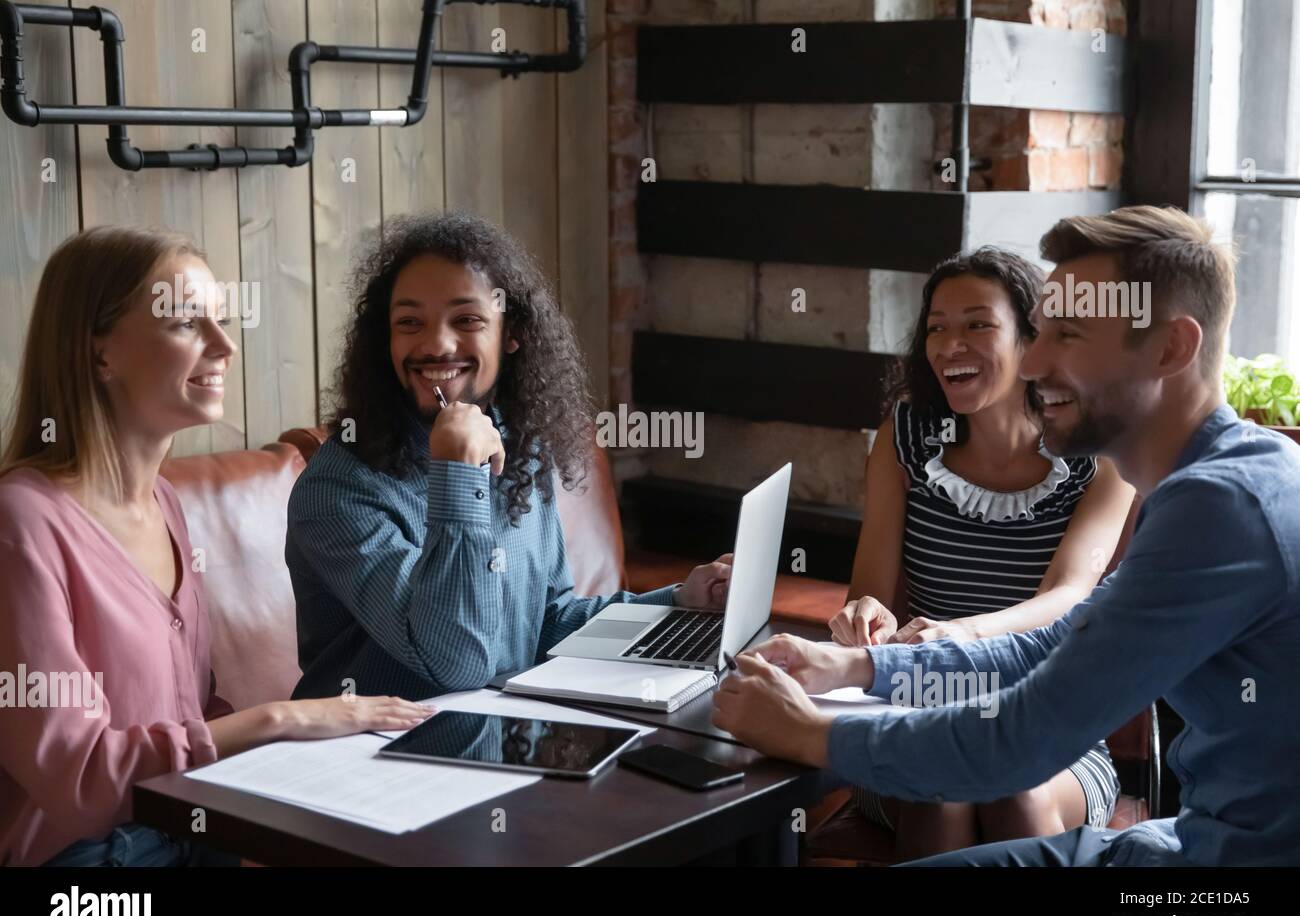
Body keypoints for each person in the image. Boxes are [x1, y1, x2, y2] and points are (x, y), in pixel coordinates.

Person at [713, 205, 1300, 866]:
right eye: (1040, 332)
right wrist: (860, 665)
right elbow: (1052, 642)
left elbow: (1019, 742)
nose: (1033, 361)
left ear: (1170, 348)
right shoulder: (1217, 480)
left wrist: (807, 732)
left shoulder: (1221, 505)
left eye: (1068, 336)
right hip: (1194, 840)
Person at [0, 227, 432, 867]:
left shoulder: (164, 505)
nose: (225, 345)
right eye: (184, 324)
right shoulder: (22, 524)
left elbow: (196, 716)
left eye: (222, 320)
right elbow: (80, 782)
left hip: (198, 834)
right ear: (100, 356)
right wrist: (281, 719)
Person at [287, 213, 732, 702]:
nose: (436, 344)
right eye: (409, 322)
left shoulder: (522, 447)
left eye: (467, 320)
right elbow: (453, 662)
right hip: (370, 757)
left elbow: (548, 622)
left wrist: (678, 603)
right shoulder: (338, 489)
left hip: (490, 739)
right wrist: (457, 475)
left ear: (511, 332)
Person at [828, 247, 1133, 860]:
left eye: (977, 324)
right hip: (918, 706)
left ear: (1033, 338)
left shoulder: (1101, 451)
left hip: (1052, 719)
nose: (949, 345)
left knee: (1010, 787)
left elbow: (1068, 597)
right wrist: (864, 616)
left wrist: (961, 633)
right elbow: (871, 593)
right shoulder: (905, 436)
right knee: (941, 783)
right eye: (936, 327)